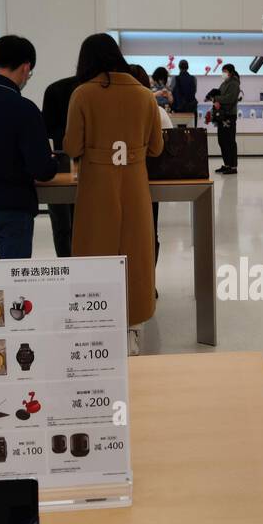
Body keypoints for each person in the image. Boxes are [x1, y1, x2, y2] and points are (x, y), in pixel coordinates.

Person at [64, 36, 163, 355]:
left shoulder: (83, 94)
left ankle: (95, 323)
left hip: (96, 187)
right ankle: (133, 328)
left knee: (95, 251)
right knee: (135, 252)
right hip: (134, 184)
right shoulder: (144, 95)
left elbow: (72, 146)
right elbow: (157, 147)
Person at [0, 35, 60, 259]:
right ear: (26, 68)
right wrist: (54, 162)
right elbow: (41, 169)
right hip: (13, 207)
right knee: (13, 276)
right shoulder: (25, 109)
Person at [131, 65, 172, 267]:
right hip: (150, 178)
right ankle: (148, 277)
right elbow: (163, 146)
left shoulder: (112, 111)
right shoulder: (157, 111)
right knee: (149, 230)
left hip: (118, 180)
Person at [41, 74, 80, 257]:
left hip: (60, 163)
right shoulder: (93, 92)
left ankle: (66, 265)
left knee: (61, 226)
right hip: (91, 165)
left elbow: (47, 130)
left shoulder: (54, 89)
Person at [212, 63, 241, 175]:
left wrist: (216, 98)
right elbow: (219, 94)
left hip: (229, 115)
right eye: (222, 71)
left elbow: (230, 99)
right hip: (222, 115)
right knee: (222, 141)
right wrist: (214, 98)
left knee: (229, 141)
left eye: (225, 71)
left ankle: (233, 166)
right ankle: (227, 164)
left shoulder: (234, 84)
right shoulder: (224, 83)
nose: (223, 73)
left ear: (230, 72)